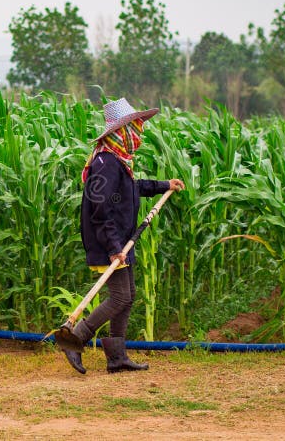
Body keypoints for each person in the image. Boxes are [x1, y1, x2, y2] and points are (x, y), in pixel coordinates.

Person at [60, 98, 184, 375]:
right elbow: (100, 208)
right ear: (121, 132)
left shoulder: (116, 161)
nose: (140, 134)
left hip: (120, 239)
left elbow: (129, 189)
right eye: (136, 128)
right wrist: (114, 247)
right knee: (119, 297)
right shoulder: (105, 163)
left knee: (127, 296)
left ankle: (117, 358)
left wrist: (164, 185)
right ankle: (76, 339)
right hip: (110, 241)